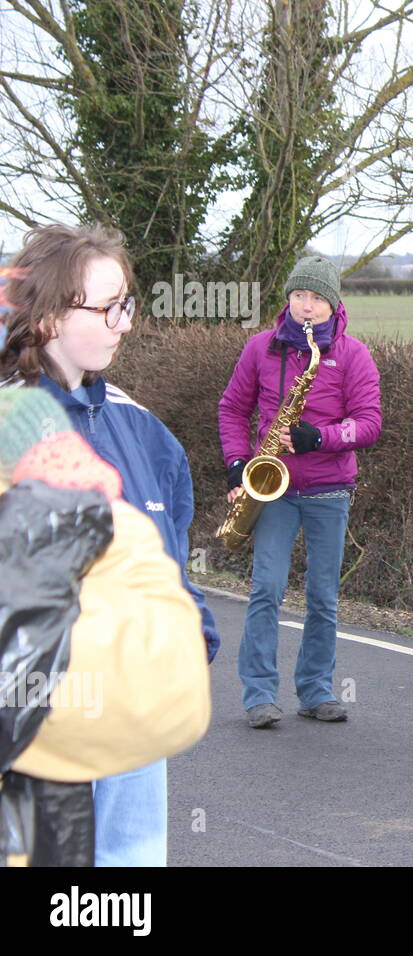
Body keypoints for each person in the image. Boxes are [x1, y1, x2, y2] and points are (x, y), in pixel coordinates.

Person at [0, 222, 219, 864]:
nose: (125, 322)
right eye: (108, 306)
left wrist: (190, 637)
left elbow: (169, 561)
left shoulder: (147, 433)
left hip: (131, 715)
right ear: (46, 318)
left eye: (127, 303)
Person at [218, 256, 382, 728]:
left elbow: (369, 424)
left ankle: (315, 691)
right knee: (266, 589)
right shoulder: (260, 349)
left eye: (316, 299)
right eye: (298, 297)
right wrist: (236, 464)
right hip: (273, 488)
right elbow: (232, 408)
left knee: (323, 596)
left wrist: (323, 437)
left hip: (330, 489)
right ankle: (258, 695)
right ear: (287, 300)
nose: (306, 307)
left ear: (333, 304)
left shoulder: (354, 355)